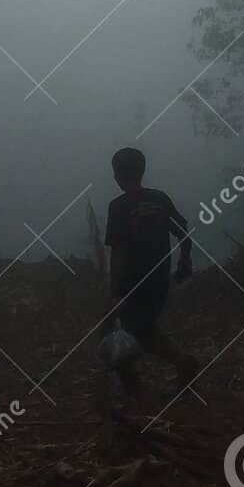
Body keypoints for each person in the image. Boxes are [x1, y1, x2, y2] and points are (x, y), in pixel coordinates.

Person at [101, 146, 196, 396]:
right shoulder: (160, 199)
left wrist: (114, 291)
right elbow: (183, 234)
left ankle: (171, 368)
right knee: (138, 328)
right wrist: (184, 262)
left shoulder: (118, 207)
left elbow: (118, 252)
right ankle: (172, 367)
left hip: (132, 283)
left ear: (117, 175)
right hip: (159, 280)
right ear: (142, 171)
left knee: (121, 330)